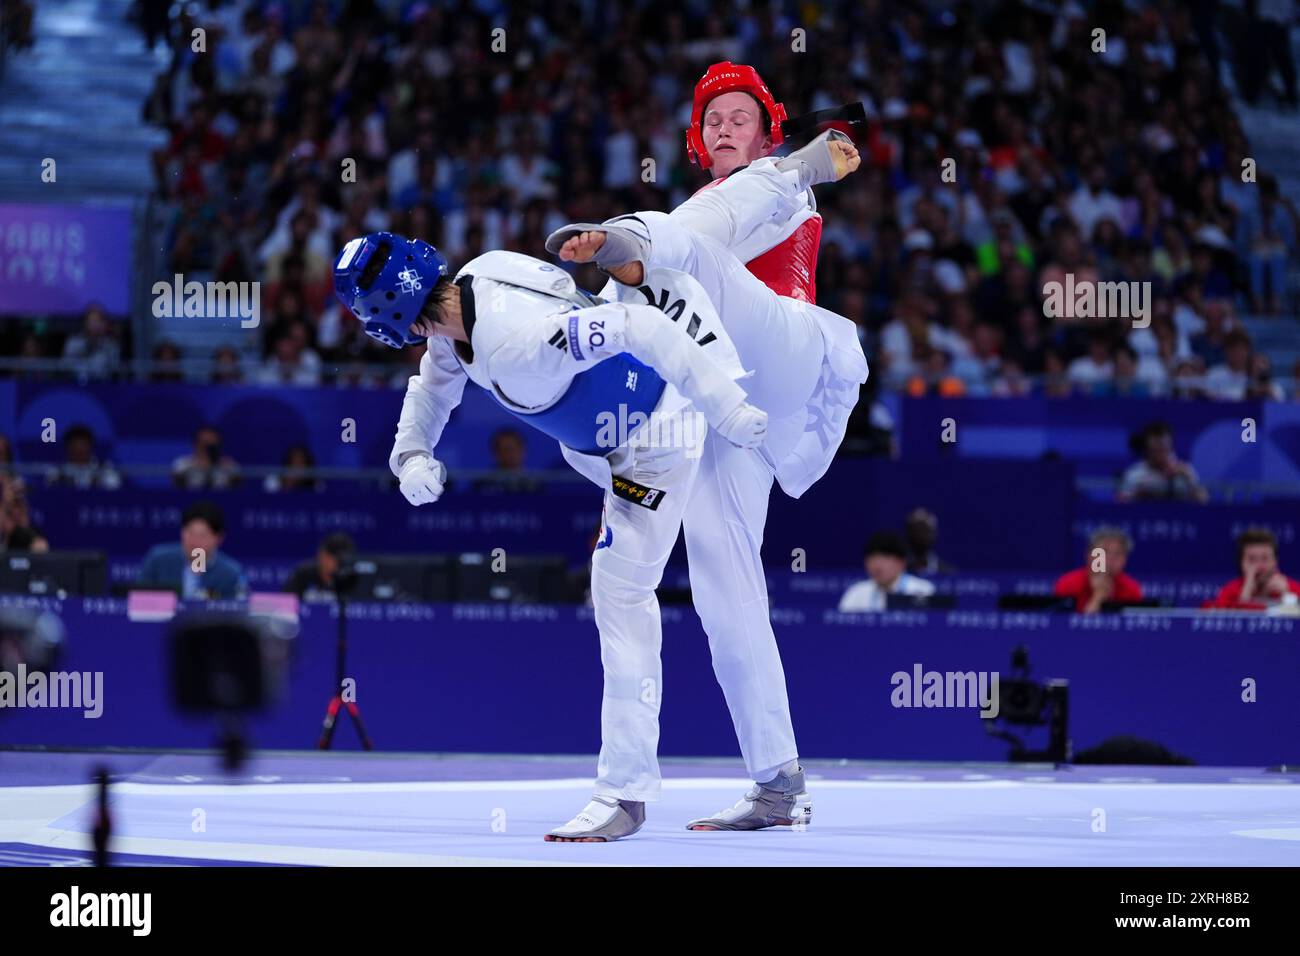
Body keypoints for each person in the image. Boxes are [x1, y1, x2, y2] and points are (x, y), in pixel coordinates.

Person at [332, 230, 769, 842]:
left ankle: (623, 793)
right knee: (633, 588)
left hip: (654, 440)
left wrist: (722, 403)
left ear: (383, 319)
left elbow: (637, 331)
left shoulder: (513, 343)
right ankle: (700, 784)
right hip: (607, 438)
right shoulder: (477, 282)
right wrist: (409, 454)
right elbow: (432, 386)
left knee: (620, 595)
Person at [545, 68, 868, 836]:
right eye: (712, 119)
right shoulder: (696, 218)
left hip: (782, 350)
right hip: (721, 406)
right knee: (725, 590)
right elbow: (683, 244)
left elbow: (703, 236)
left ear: (767, 132)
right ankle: (777, 780)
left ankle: (626, 249)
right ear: (697, 137)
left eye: (741, 118)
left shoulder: (782, 186)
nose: (724, 128)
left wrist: (634, 247)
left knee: (686, 255)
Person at [137, 500, 248, 599]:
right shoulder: (158, 560)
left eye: (202, 535)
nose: (194, 541)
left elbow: (238, 612)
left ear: (218, 538)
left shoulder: (231, 573)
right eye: (190, 533)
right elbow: (137, 599)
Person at [838, 532, 937, 612]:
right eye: (872, 558)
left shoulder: (923, 591)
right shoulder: (856, 593)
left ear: (901, 563)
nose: (877, 565)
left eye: (884, 558)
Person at [1205, 528, 1300, 611]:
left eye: (1265, 558)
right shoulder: (1229, 591)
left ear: (1275, 561)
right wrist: (1245, 595)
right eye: (1252, 559)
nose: (1259, 565)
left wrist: (1289, 597)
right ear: (1241, 563)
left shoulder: (1293, 588)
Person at [1053, 527, 1143, 614]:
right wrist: (1098, 597)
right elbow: (1065, 626)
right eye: (1104, 552)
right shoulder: (1067, 584)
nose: (1111, 558)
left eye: (1118, 554)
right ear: (1089, 554)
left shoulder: (1131, 589)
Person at [1117, 421, 1209, 503]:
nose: (1161, 455)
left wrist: (1188, 479)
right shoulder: (1134, 474)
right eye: (1156, 450)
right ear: (1146, 450)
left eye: (1165, 449)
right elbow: (1120, 504)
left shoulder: (1185, 470)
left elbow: (1203, 501)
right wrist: (1138, 494)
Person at [284, 532, 356, 601]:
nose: (335, 563)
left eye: (339, 559)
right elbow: (285, 602)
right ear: (321, 554)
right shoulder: (303, 573)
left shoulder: (350, 579)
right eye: (330, 556)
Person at [172, 425, 242, 490]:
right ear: (196, 444)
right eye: (204, 443)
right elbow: (177, 489)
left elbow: (237, 491)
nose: (207, 448)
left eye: (212, 444)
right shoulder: (182, 464)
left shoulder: (230, 465)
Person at [903, 507, 955, 574]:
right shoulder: (895, 571)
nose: (920, 536)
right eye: (916, 530)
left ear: (934, 534)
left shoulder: (947, 572)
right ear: (908, 533)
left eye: (925, 531)